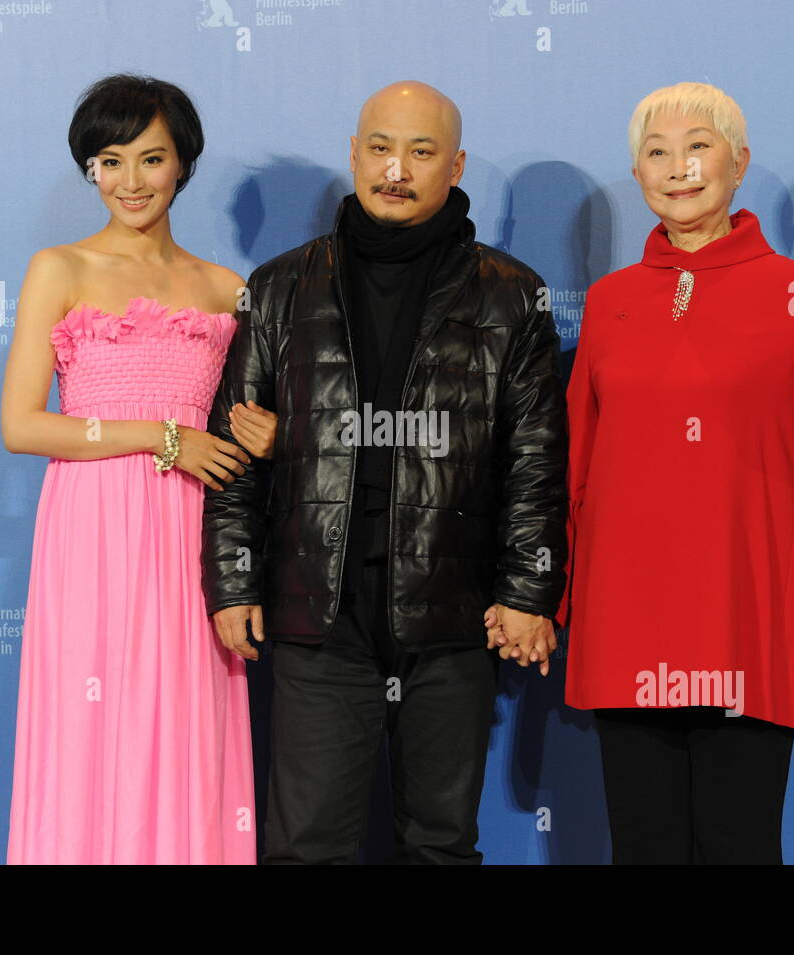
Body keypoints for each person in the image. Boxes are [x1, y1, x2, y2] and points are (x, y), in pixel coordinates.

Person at [550, 81, 794, 864]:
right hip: (626, 620)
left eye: (698, 147)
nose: (679, 168)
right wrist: (550, 595)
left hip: (748, 617)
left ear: (738, 163)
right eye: (656, 154)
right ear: (637, 176)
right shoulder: (609, 302)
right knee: (643, 847)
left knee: (739, 844)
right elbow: (577, 460)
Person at [201, 80, 568, 864]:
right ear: (354, 154)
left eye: (421, 151)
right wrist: (234, 581)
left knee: (440, 844)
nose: (395, 169)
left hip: (452, 615)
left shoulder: (513, 297)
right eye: (379, 148)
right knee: (307, 847)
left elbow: (535, 460)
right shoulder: (276, 288)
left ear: (456, 165)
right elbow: (231, 450)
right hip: (317, 615)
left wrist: (527, 590)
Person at [0, 73, 277, 864]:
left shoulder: (229, 290)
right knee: (92, 722)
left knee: (185, 720)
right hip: (90, 529)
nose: (129, 182)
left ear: (183, 164)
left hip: (196, 531)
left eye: (150, 160)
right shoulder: (59, 269)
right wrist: (164, 437)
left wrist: (260, 436)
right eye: (110, 160)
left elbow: (244, 433)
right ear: (90, 167)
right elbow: (23, 424)